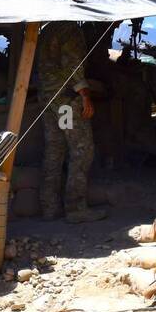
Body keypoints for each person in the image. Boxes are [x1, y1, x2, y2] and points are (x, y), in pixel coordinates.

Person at [37, 22, 106, 223]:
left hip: (48, 97)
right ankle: (76, 208)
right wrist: (84, 94)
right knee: (81, 149)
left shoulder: (46, 29)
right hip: (66, 100)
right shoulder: (69, 28)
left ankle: (49, 207)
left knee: (54, 150)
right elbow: (73, 63)